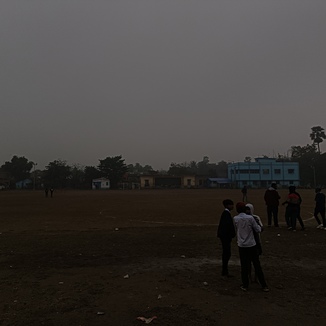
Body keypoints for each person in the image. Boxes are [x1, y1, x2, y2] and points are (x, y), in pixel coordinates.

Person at [234, 202, 269, 292]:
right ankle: (264, 285)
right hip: (251, 244)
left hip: (241, 245)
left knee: (244, 266)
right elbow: (257, 229)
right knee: (257, 265)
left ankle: (245, 285)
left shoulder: (235, 218)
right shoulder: (250, 218)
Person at [217, 199, 236, 277]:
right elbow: (227, 227)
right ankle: (225, 271)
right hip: (225, 237)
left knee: (226, 253)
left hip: (224, 236)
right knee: (227, 253)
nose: (232, 206)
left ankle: (225, 270)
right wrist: (232, 234)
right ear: (228, 205)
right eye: (231, 205)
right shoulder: (226, 214)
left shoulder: (225, 214)